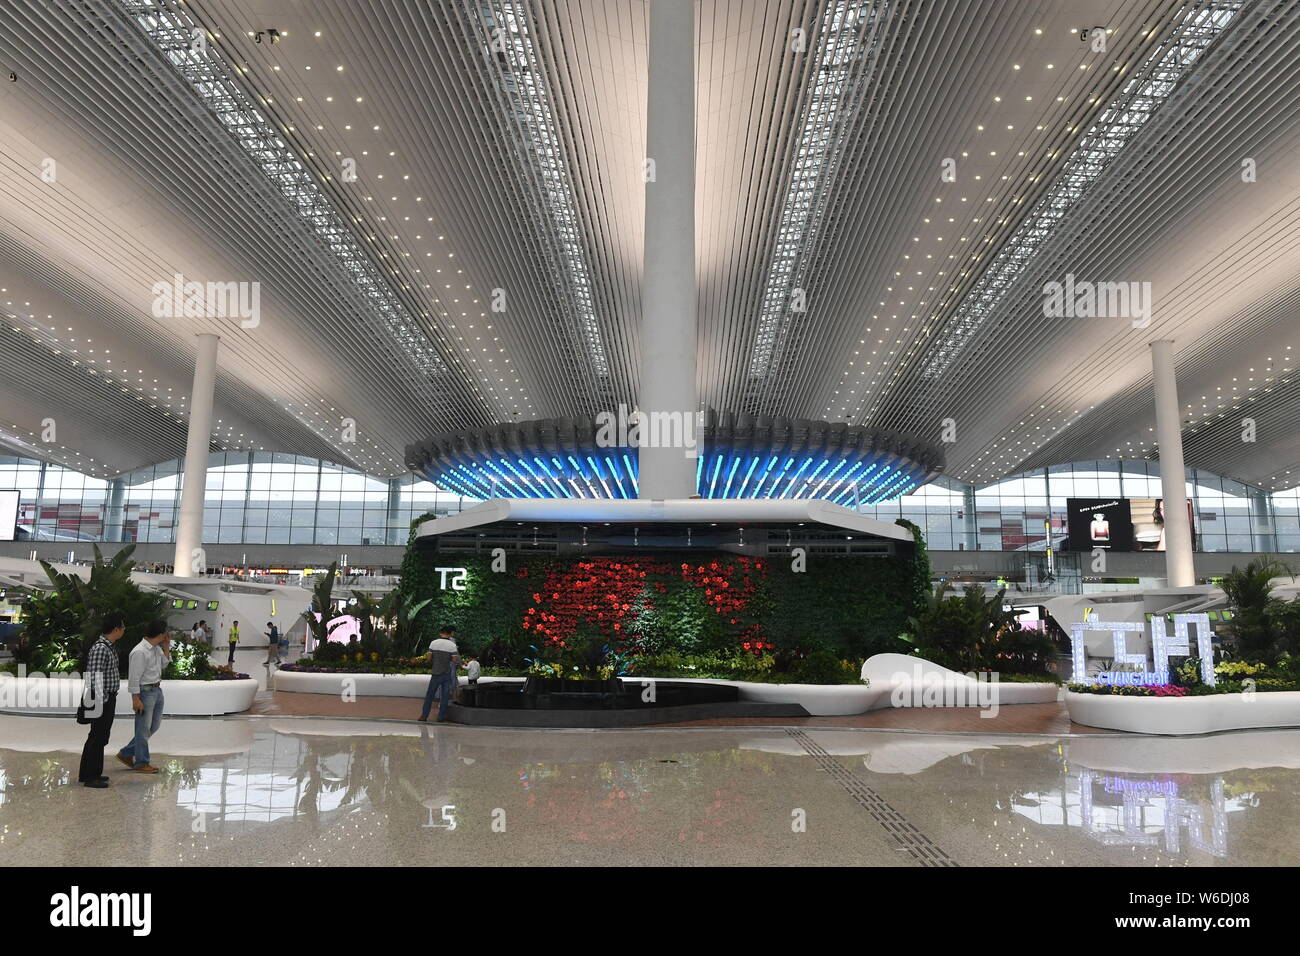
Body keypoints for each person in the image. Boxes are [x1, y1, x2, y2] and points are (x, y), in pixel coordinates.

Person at [78, 613, 126, 788]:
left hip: (106, 698)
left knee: (98, 737)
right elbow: (94, 677)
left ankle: (88, 773)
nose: (124, 630)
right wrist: (103, 700)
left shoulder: (109, 647)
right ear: (115, 629)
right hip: (100, 699)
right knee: (98, 737)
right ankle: (91, 777)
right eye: (122, 627)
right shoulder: (101, 648)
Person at [116, 619, 170, 774]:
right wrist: (136, 699)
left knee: (153, 726)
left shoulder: (155, 648)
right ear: (161, 634)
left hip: (157, 691)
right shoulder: (140, 651)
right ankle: (141, 762)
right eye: (165, 634)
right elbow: (133, 678)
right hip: (145, 692)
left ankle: (126, 753)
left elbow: (164, 664)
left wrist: (166, 647)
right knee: (143, 729)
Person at [419, 627, 460, 722]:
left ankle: (424, 716)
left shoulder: (433, 643)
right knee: (445, 697)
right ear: (450, 634)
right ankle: (440, 717)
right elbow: (454, 660)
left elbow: (429, 658)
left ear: (440, 633)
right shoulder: (452, 645)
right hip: (446, 674)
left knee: (429, 695)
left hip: (435, 673)